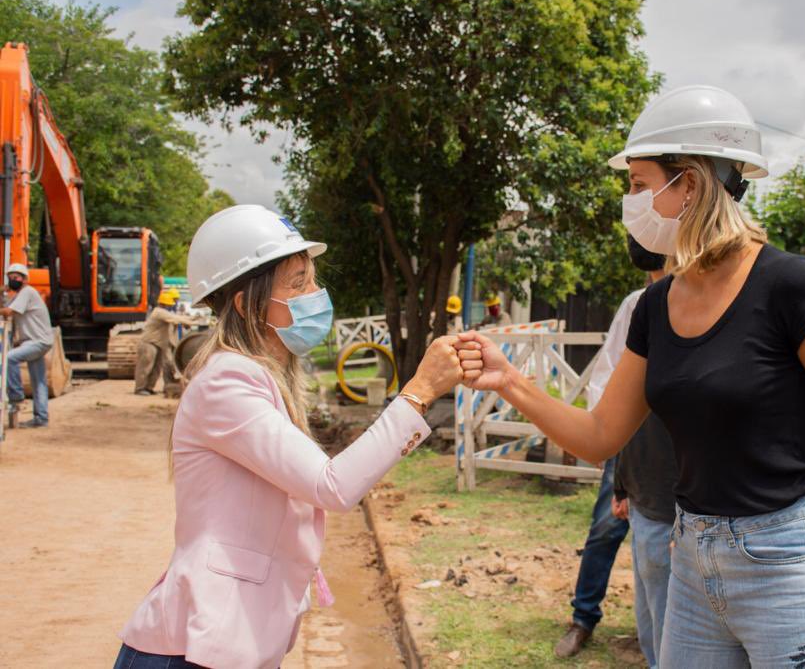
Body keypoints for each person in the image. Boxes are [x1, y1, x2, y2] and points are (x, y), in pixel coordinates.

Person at [457, 86, 805, 667]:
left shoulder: (791, 285)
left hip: (789, 561)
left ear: (688, 182)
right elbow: (601, 435)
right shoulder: (654, 310)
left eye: (638, 185)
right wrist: (509, 381)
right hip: (692, 558)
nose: (629, 202)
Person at [115, 205, 465, 668]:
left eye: (312, 280)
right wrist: (419, 392)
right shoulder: (227, 383)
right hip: (191, 651)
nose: (316, 294)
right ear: (245, 303)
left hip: (229, 647)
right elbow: (332, 485)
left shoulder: (260, 379)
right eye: (297, 284)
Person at [555, 234, 672, 662]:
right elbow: (607, 374)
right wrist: (612, 441)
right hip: (629, 441)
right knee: (607, 528)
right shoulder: (636, 304)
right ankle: (583, 619)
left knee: (664, 552)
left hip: (675, 452)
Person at [0, 263, 54, 428]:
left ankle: (16, 395)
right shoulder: (19, 295)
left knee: (9, 358)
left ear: (24, 279)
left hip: (37, 341)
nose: (12, 280)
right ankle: (41, 418)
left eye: (16, 277)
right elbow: (7, 305)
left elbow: (8, 312)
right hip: (38, 341)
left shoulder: (27, 292)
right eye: (10, 277)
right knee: (39, 381)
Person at [134, 290, 200, 396]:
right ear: (164, 304)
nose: (171, 305)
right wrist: (196, 322)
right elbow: (176, 319)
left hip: (158, 344)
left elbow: (179, 318)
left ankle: (149, 388)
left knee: (157, 367)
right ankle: (140, 388)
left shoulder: (165, 312)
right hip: (149, 343)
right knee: (146, 366)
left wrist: (194, 318)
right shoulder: (159, 312)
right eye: (170, 304)